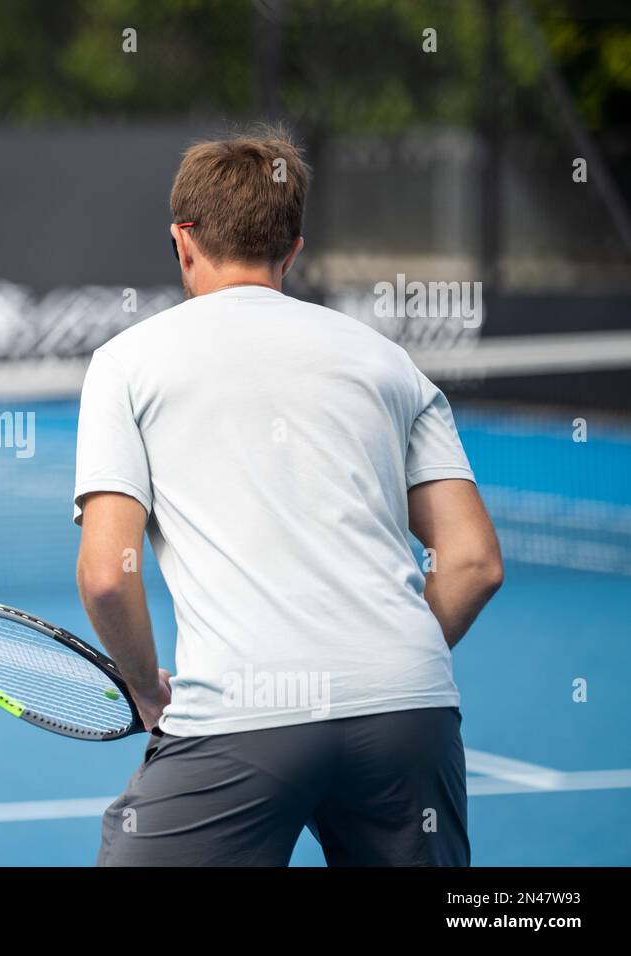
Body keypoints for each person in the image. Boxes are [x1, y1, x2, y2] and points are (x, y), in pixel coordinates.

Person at [75, 130, 503, 866]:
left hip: (241, 718)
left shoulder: (126, 364)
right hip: (408, 714)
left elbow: (108, 574)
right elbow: (472, 562)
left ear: (184, 241)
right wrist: (382, 666)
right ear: (292, 249)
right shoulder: (387, 362)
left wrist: (147, 691)